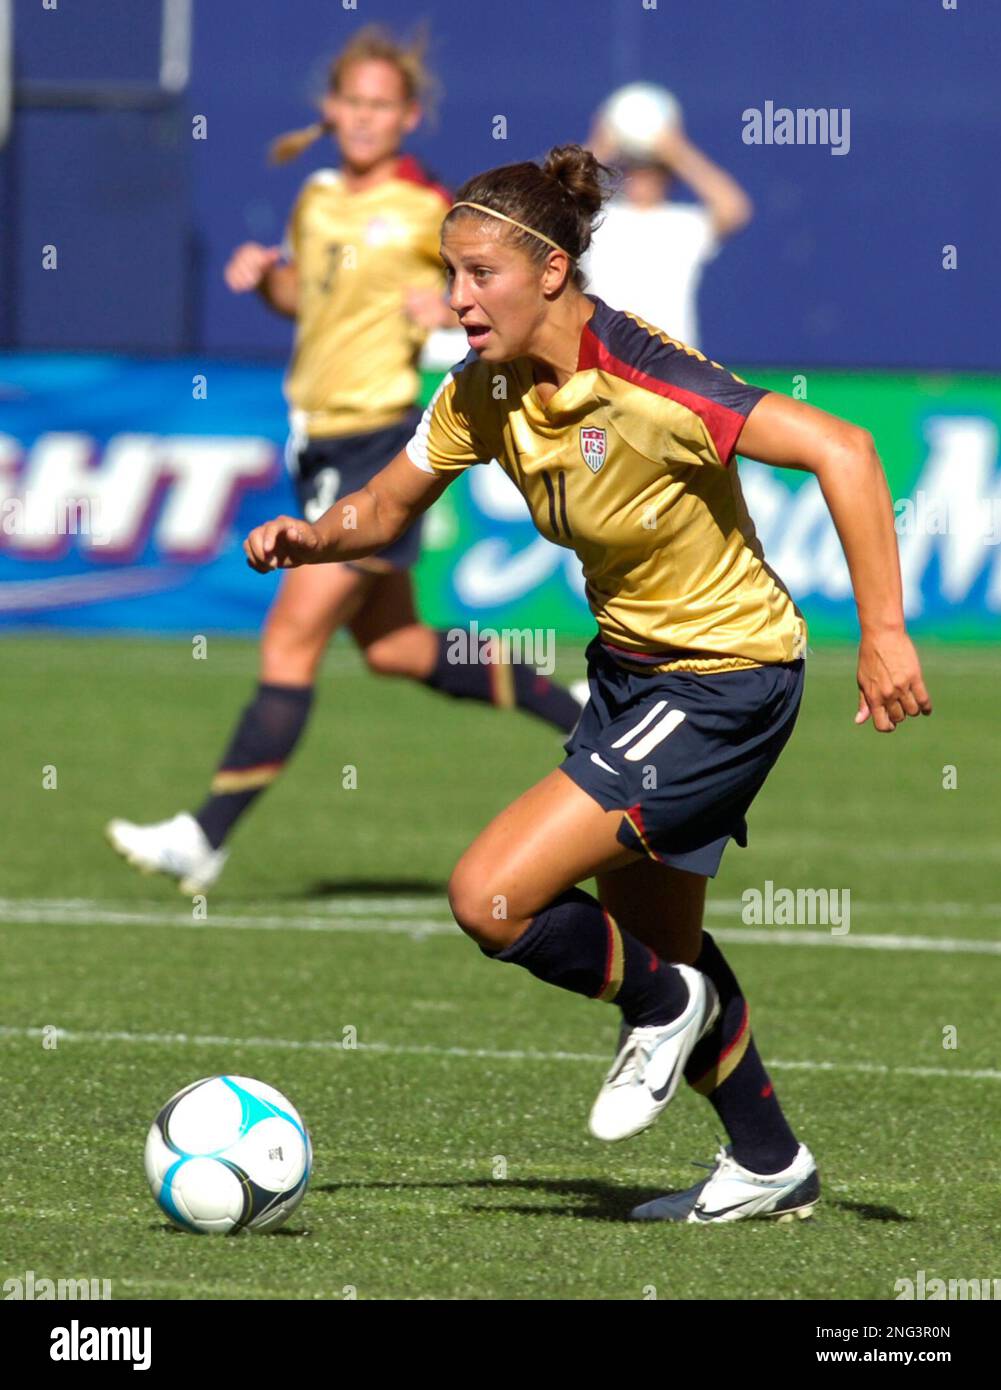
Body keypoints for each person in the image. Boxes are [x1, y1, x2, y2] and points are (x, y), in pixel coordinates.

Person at [242, 144, 932, 1223]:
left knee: (492, 896)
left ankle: (662, 1006)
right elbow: (382, 507)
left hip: (725, 680)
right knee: (656, 939)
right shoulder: (485, 389)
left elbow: (843, 450)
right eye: (450, 273)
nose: (457, 297)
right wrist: (312, 535)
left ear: (552, 272)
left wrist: (880, 632)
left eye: (481, 275)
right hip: (630, 678)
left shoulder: (650, 379)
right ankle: (766, 1160)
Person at [105, 27, 583, 896]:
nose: (364, 118)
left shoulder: (424, 208)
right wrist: (269, 281)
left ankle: (202, 836)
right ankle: (577, 708)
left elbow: (488, 292)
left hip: (378, 439)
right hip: (317, 434)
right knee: (397, 647)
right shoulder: (318, 197)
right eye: (351, 102)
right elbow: (311, 300)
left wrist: (445, 312)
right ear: (331, 109)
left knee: (290, 639)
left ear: (407, 115)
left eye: (381, 105)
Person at [585, 101, 753, 349]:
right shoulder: (597, 217)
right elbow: (544, 207)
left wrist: (677, 151)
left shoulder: (683, 224)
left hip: (671, 361)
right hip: (603, 359)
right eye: (635, 167)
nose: (643, 177)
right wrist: (596, 150)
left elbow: (735, 209)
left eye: (653, 169)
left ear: (667, 175)